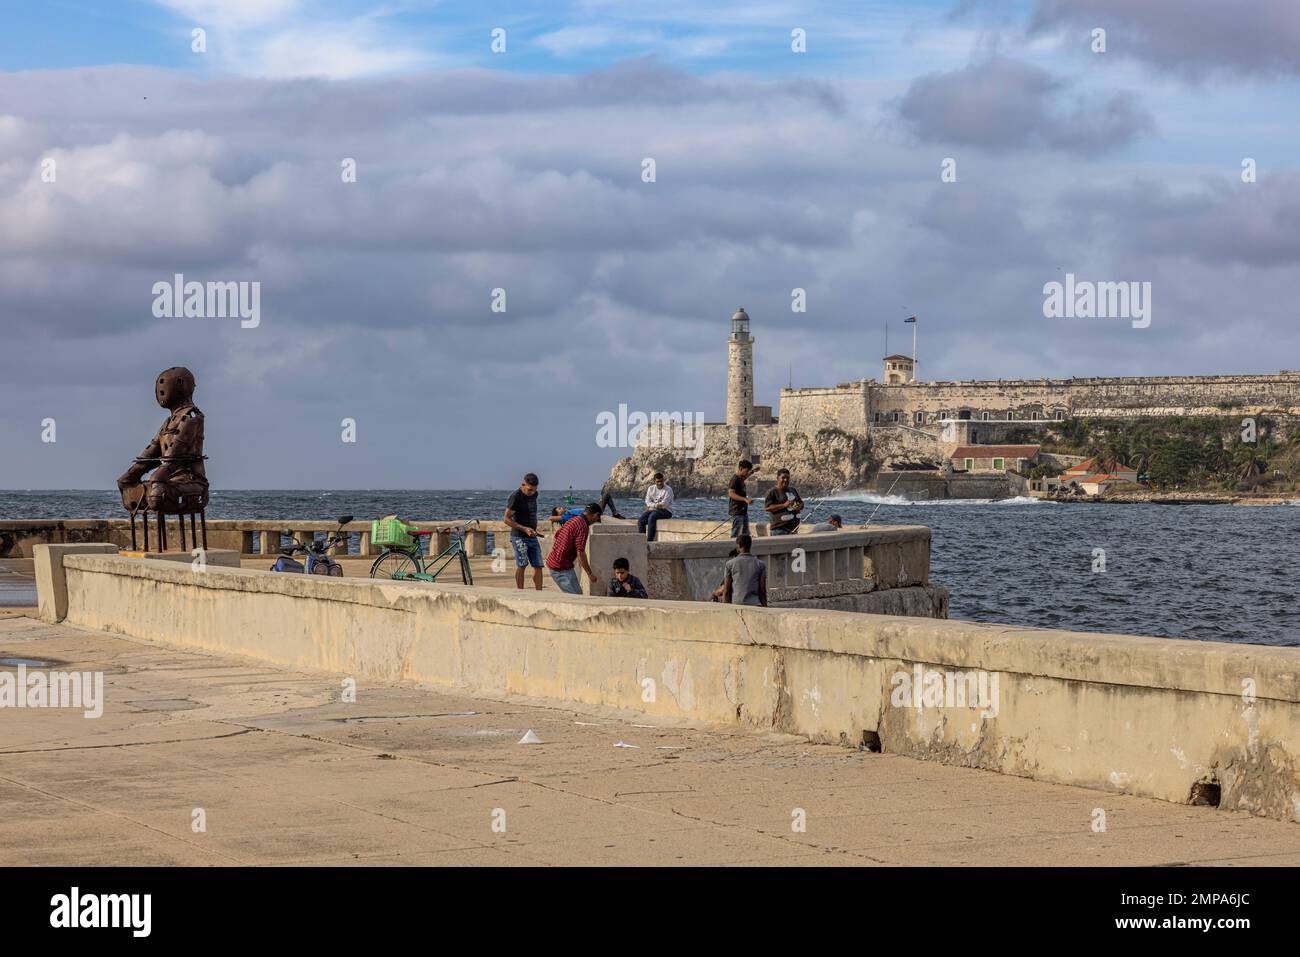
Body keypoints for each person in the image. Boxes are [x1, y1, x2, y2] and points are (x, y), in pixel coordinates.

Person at [545, 502, 601, 594]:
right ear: (595, 515)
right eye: (597, 519)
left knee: (577, 595)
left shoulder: (573, 519)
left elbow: (557, 535)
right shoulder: (583, 526)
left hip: (559, 564)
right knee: (576, 598)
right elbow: (581, 553)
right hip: (560, 568)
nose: (595, 521)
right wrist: (590, 574)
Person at [504, 473, 543, 590]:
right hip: (519, 536)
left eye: (534, 490)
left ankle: (539, 593)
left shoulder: (535, 494)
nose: (532, 492)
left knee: (538, 565)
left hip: (532, 535)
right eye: (529, 489)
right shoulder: (515, 497)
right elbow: (506, 519)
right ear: (523, 484)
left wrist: (531, 529)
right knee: (522, 564)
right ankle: (520, 592)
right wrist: (524, 529)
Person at [723, 534, 767, 606]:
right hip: (754, 604)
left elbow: (726, 591)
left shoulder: (730, 564)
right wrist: (765, 607)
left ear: (739, 545)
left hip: (736, 604)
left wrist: (726, 608)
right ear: (750, 546)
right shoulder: (760, 564)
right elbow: (762, 591)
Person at [763, 468, 804, 534]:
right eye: (783, 478)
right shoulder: (773, 492)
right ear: (777, 478)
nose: (786, 480)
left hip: (794, 530)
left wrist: (799, 506)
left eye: (787, 478)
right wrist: (784, 505)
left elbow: (801, 503)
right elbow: (767, 508)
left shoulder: (793, 490)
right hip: (779, 530)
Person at [637, 472, 674, 541]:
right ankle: (642, 541)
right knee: (641, 519)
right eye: (658, 481)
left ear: (663, 480)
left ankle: (649, 541)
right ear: (654, 481)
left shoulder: (668, 490)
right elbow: (647, 501)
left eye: (661, 481)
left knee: (652, 517)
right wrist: (655, 505)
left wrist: (651, 506)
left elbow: (664, 504)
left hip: (667, 511)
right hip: (653, 510)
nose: (659, 483)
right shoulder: (651, 489)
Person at [727, 459, 756, 538]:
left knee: (745, 532)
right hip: (736, 512)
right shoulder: (735, 480)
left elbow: (746, 475)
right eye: (746, 471)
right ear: (740, 468)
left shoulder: (741, 478)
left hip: (743, 511)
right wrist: (745, 499)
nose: (747, 473)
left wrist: (753, 471)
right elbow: (731, 493)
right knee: (735, 533)